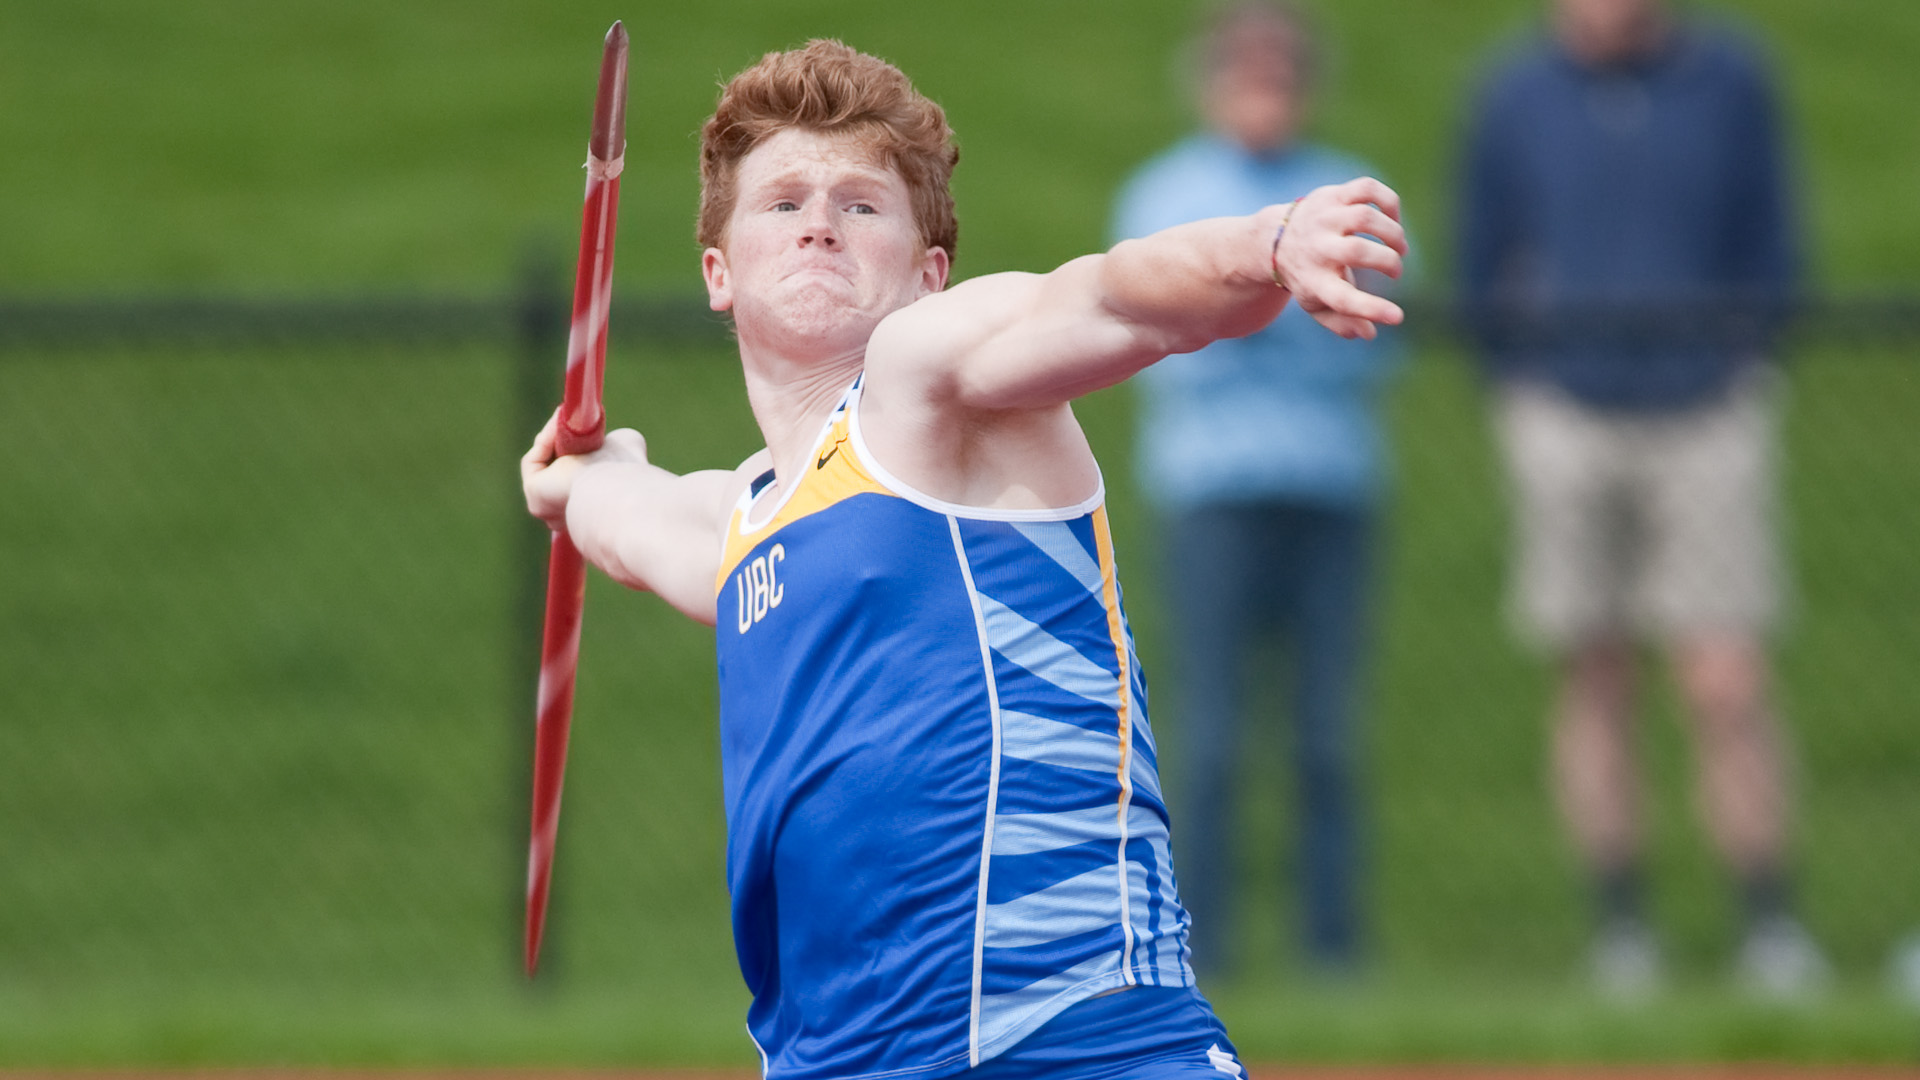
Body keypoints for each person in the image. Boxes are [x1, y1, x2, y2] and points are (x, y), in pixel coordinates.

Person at [522, 40, 1404, 1080]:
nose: (819, 220)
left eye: (861, 205)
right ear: (719, 271)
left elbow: (1108, 300)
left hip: (1074, 1050)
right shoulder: (748, 523)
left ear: (928, 273)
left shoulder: (923, 380)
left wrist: (1268, 240)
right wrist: (580, 480)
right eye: (783, 201)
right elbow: (640, 523)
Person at [1458, 0, 1824, 997]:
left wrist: (1745, 352)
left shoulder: (1728, 78)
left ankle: (1768, 925)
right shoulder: (1513, 91)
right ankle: (1621, 932)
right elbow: (1481, 246)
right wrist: (1522, 379)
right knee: (1596, 673)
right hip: (1566, 412)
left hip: (1706, 408)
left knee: (1725, 676)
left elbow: (1773, 231)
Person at [1110, 0, 1402, 977]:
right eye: (1246, 72)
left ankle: (1334, 958)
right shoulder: (1163, 195)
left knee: (1327, 734)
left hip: (1330, 486)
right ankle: (1203, 949)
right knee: (1213, 734)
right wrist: (1286, 310)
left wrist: (1238, 312)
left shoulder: (1352, 190)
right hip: (1213, 492)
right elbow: (1166, 340)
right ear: (1213, 81)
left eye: (1280, 74)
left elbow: (1375, 336)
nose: (1263, 93)